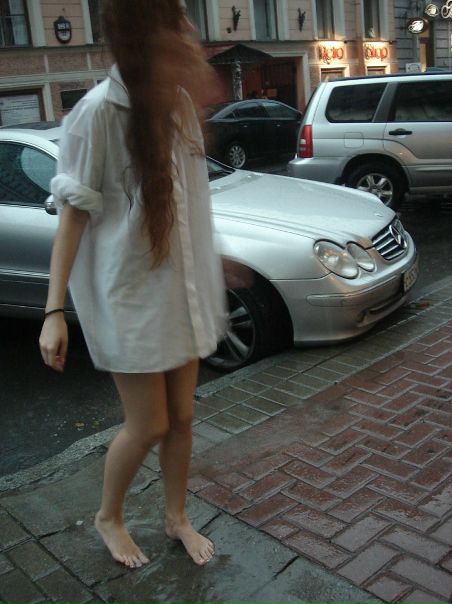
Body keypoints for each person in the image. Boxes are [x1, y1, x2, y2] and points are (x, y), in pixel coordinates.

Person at [39, 0, 227, 569]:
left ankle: (176, 517)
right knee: (149, 424)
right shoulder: (97, 112)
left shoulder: (178, 104)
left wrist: (217, 263)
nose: (189, 31)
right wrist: (53, 312)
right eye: (177, 22)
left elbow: (190, 205)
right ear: (149, 36)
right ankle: (109, 517)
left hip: (180, 291)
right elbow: (72, 216)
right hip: (128, 297)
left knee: (183, 418)